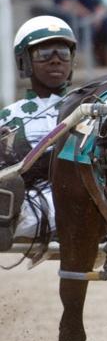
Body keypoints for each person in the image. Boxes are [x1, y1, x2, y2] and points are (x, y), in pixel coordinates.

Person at [0, 17, 77, 252]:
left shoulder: (89, 106)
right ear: (25, 60)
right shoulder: (7, 116)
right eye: (44, 53)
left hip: (78, 200)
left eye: (63, 52)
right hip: (23, 206)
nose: (55, 60)